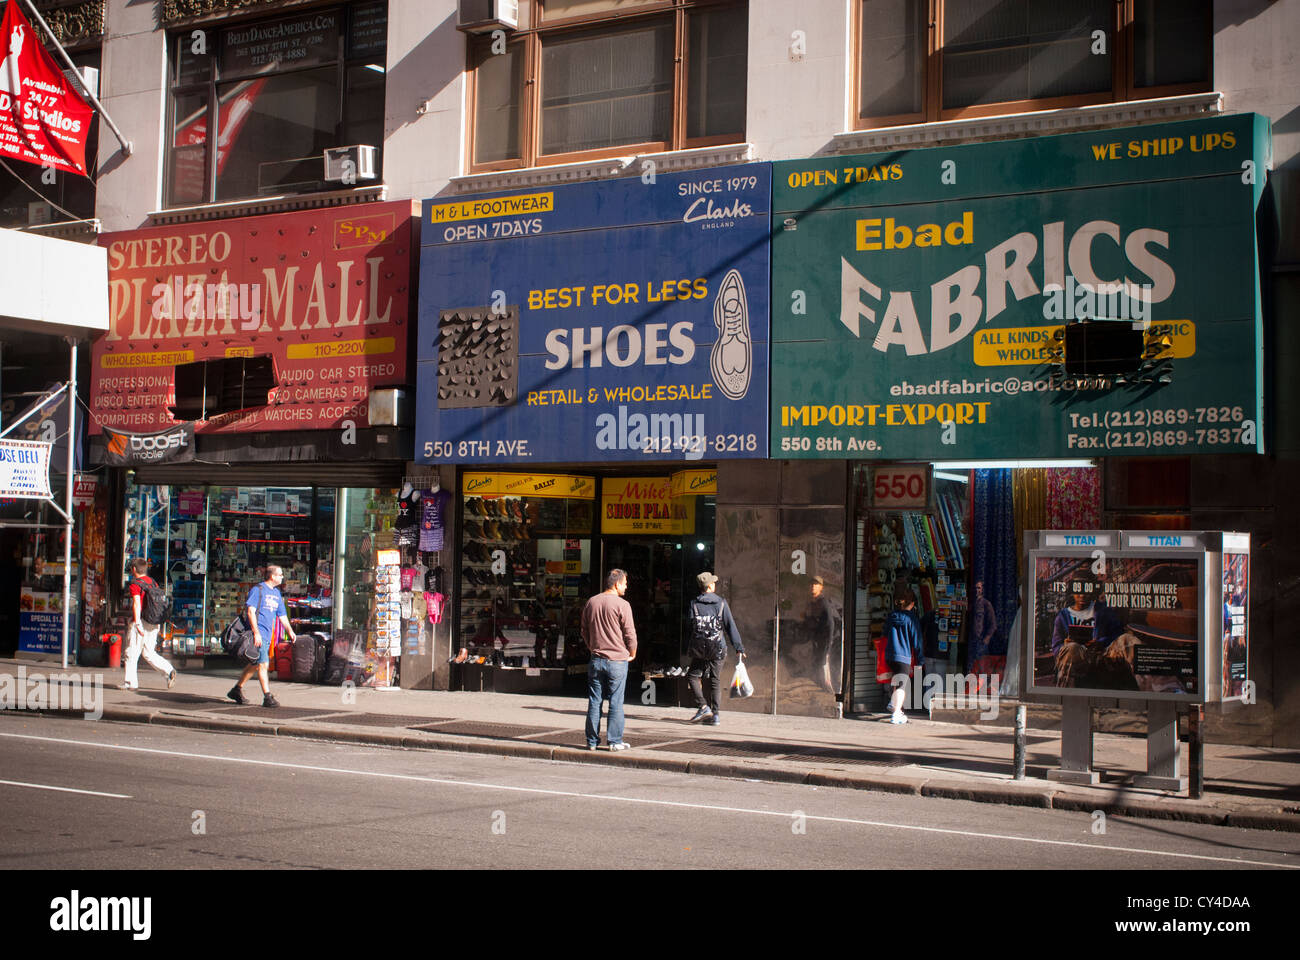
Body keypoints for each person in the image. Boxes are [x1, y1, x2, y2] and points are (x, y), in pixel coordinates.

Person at [580, 568, 637, 751]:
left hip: (596, 658)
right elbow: (630, 633)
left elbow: (584, 630)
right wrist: (632, 652)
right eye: (625, 583)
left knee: (595, 701)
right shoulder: (623, 605)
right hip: (617, 660)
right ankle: (614, 741)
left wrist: (592, 647)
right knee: (616, 702)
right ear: (617, 583)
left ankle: (592, 742)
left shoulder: (592, 602)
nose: (626, 587)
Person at [228, 565, 297, 708]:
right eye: (280, 574)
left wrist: (290, 631)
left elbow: (282, 615)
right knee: (263, 664)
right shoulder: (258, 590)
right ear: (272, 576)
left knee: (254, 664)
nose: (282, 577)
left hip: (266, 634)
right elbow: (250, 612)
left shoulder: (277, 594)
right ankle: (267, 697)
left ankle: (237, 689)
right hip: (257, 635)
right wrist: (256, 632)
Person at [685, 572, 745, 725]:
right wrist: (738, 647)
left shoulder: (694, 604)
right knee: (715, 680)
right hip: (717, 647)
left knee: (692, 676)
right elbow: (730, 626)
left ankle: (703, 706)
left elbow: (690, 626)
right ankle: (716, 715)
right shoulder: (721, 603)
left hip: (700, 648)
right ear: (710, 586)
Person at [119, 558, 176, 691]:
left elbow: (137, 604)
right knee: (148, 652)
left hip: (141, 621)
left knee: (131, 652)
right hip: (154, 622)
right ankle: (169, 671)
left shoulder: (135, 584)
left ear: (134, 569)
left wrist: (137, 623)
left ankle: (130, 683)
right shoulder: (153, 582)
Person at [882, 588, 923, 724]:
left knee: (896, 680)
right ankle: (896, 714)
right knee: (901, 686)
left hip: (890, 655)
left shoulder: (891, 616)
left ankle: (894, 706)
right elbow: (917, 641)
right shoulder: (911, 618)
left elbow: (885, 634)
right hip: (903, 656)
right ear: (911, 604)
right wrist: (920, 660)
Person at [801, 575, 835, 694]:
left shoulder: (823, 602)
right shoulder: (812, 602)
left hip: (824, 642)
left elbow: (830, 624)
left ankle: (828, 692)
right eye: (812, 584)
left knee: (823, 666)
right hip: (816, 641)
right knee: (817, 665)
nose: (813, 587)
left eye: (816, 585)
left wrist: (828, 643)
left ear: (821, 587)